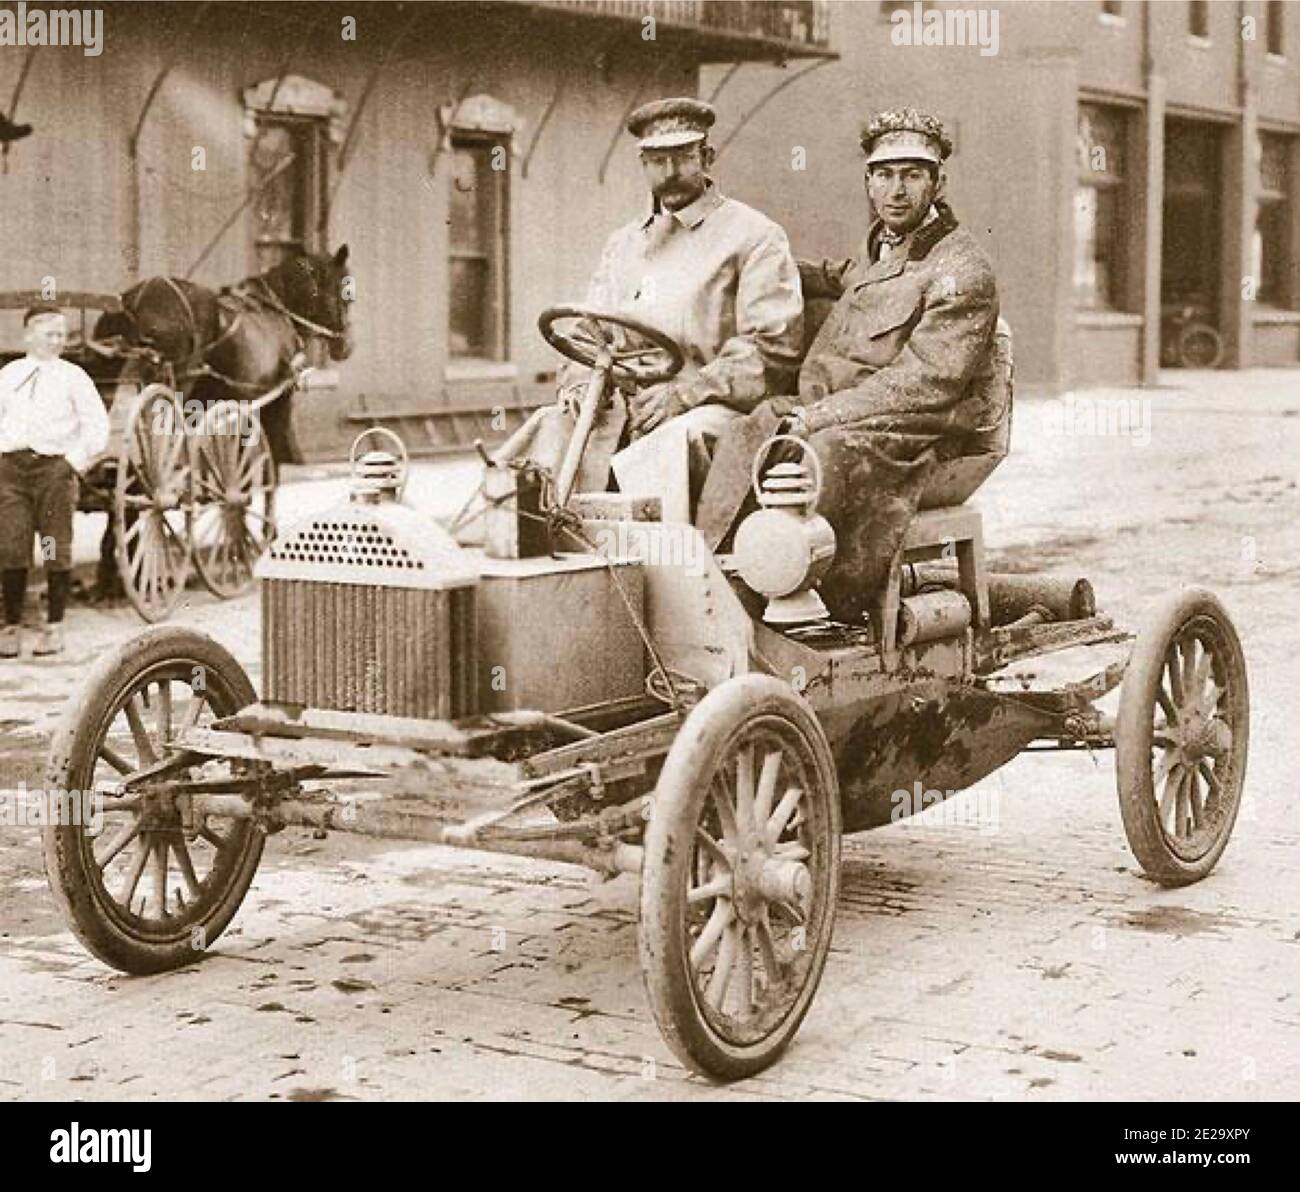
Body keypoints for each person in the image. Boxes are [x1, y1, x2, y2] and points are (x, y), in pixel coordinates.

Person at [697, 108, 1000, 624]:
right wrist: (748, 260)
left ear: (938, 181)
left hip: (911, 431)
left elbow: (925, 382)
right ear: (868, 180)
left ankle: (811, 606)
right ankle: (713, 584)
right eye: (884, 175)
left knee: (819, 454)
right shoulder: (880, 247)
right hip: (836, 410)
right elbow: (842, 278)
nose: (896, 190)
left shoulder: (962, 269)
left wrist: (821, 417)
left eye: (912, 174)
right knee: (747, 429)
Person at [524, 97, 804, 519]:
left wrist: (683, 395)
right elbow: (587, 332)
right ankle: (548, 558)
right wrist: (582, 385)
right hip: (625, 403)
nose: (670, 173)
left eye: (682, 158)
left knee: (668, 446)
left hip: (711, 407)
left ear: (706, 157)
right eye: (657, 160)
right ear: (643, 164)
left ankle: (661, 571)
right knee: (548, 431)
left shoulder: (754, 236)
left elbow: (772, 349)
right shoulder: (624, 244)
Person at [0, 304, 110, 656]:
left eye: (62, 334)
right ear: (28, 335)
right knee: (12, 546)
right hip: (12, 473)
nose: (57, 341)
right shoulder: (9, 375)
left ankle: (54, 627)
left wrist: (72, 464)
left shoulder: (73, 377)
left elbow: (97, 426)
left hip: (54, 472)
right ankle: (11, 626)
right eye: (49, 334)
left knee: (54, 547)